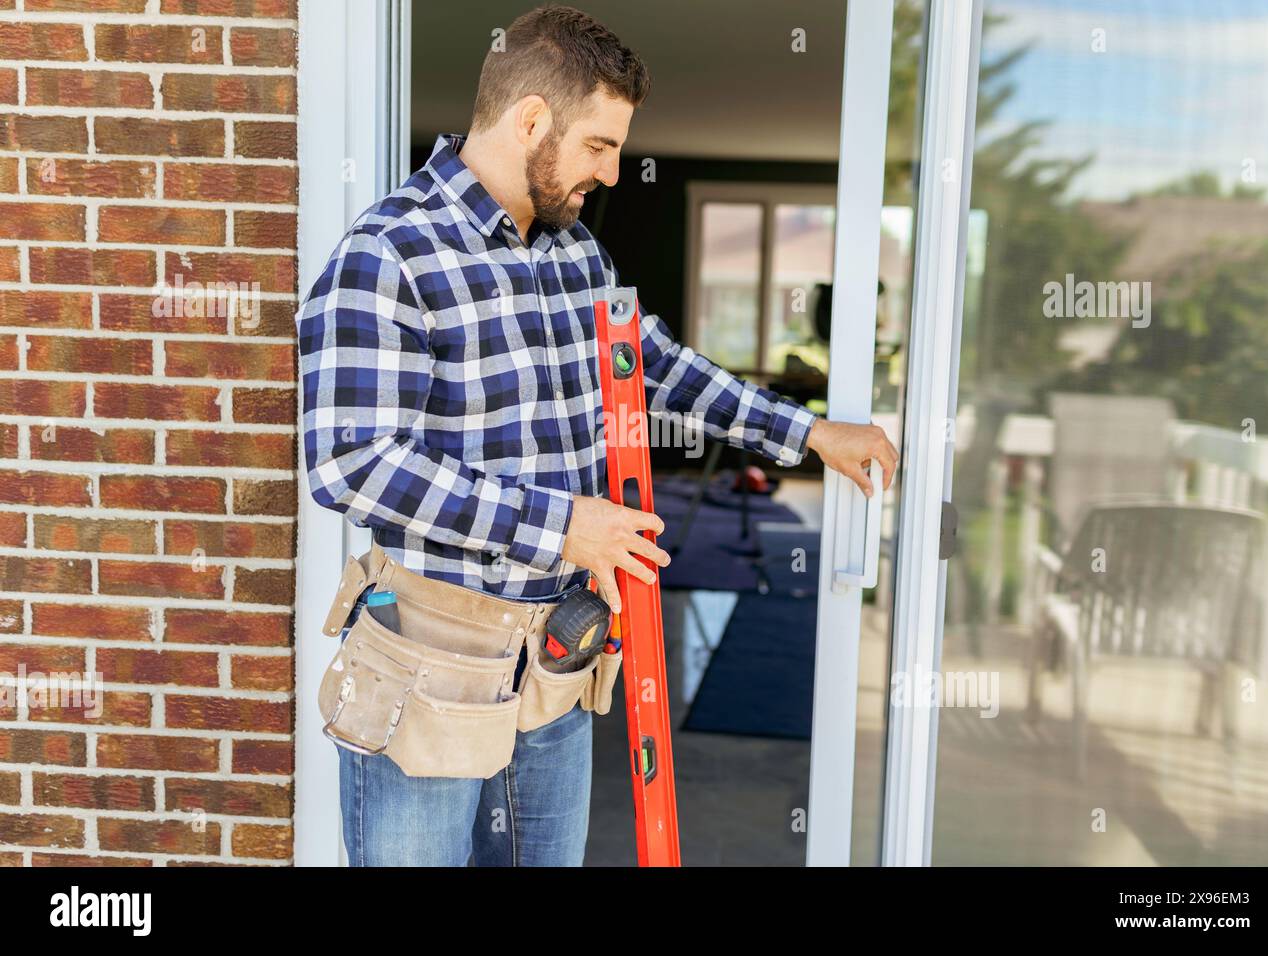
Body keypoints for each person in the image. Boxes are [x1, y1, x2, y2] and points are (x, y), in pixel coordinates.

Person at [296, 4, 899, 867]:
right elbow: (354, 464)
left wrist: (807, 432)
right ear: (531, 119)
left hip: (558, 658)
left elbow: (654, 367)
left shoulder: (573, 254)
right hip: (432, 663)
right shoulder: (389, 255)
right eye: (599, 146)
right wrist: (562, 526)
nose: (613, 173)